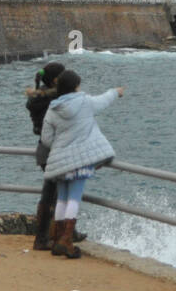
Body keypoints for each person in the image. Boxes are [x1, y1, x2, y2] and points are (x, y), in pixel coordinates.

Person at [40, 70, 125, 258]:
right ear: (75, 86)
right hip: (80, 162)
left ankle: (57, 239)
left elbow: (46, 139)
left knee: (62, 197)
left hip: (60, 163)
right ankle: (66, 240)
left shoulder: (53, 108)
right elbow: (103, 100)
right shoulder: (85, 102)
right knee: (74, 198)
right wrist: (116, 91)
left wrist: (62, 147)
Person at [24, 62, 84, 250]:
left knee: (52, 194)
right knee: (58, 195)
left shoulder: (39, 96)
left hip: (45, 150)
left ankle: (52, 236)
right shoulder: (54, 101)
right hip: (55, 151)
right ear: (57, 79)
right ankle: (52, 237)